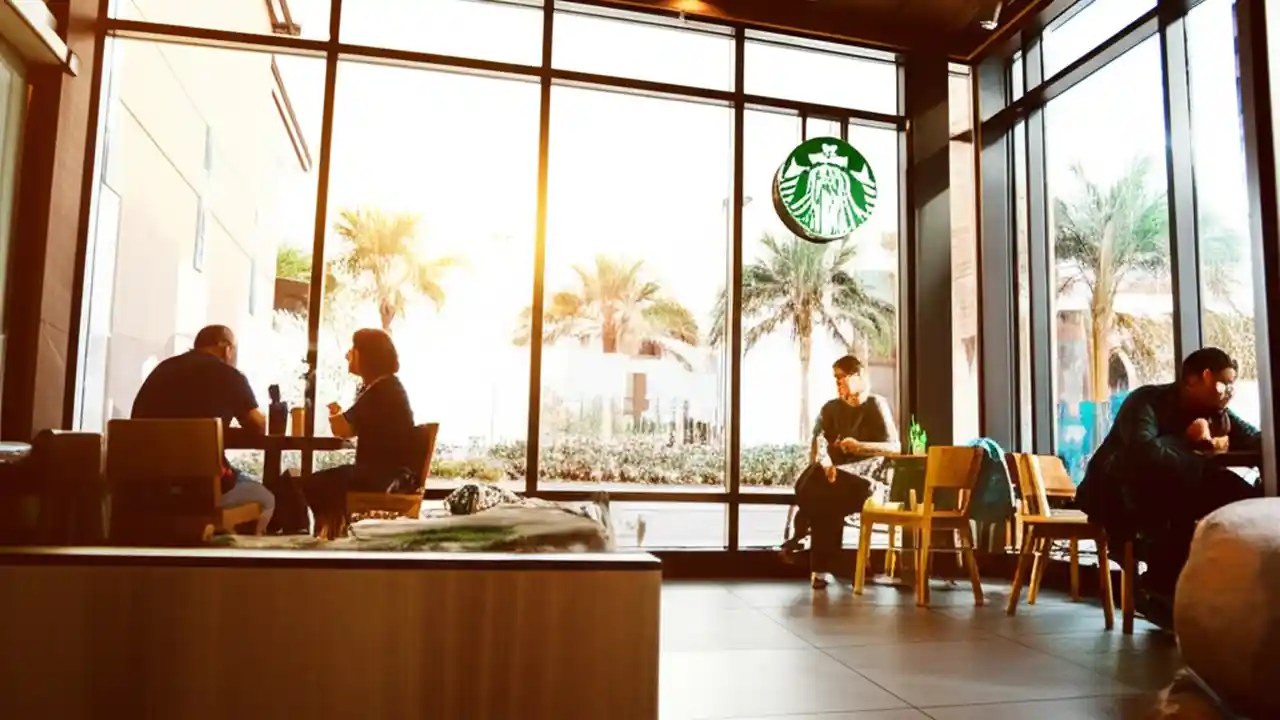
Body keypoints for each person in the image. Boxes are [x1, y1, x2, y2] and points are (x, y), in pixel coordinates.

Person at [1077, 347, 1261, 627]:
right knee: (1183, 489)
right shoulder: (1145, 401)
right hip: (1116, 494)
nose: (1228, 392)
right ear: (1197, 379)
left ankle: (1235, 590)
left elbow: (1253, 438)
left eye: (1232, 385)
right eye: (1223, 384)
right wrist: (1187, 441)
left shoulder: (1215, 413)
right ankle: (1163, 587)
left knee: (1241, 497)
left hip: (1169, 494)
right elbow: (1142, 453)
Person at [131, 325, 275, 534]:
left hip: (147, 487)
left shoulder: (162, 371)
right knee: (265, 498)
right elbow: (258, 425)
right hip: (201, 488)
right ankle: (216, 529)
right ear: (226, 348)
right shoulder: (229, 375)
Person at [786, 355, 900, 589]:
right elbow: (820, 445)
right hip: (833, 478)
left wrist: (860, 447)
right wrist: (827, 463)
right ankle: (824, 565)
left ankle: (808, 547)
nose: (838, 384)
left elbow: (895, 448)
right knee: (822, 489)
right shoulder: (830, 409)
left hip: (866, 481)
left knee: (819, 488)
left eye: (842, 378)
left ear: (858, 377)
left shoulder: (876, 405)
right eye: (835, 379)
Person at [304, 329, 418, 531]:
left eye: (353, 349)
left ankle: (328, 534)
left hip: (382, 477)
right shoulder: (387, 387)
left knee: (315, 483)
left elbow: (343, 429)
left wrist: (333, 411)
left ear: (367, 355)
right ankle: (333, 532)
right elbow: (347, 429)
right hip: (391, 474)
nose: (347, 355)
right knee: (323, 481)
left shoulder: (381, 390)